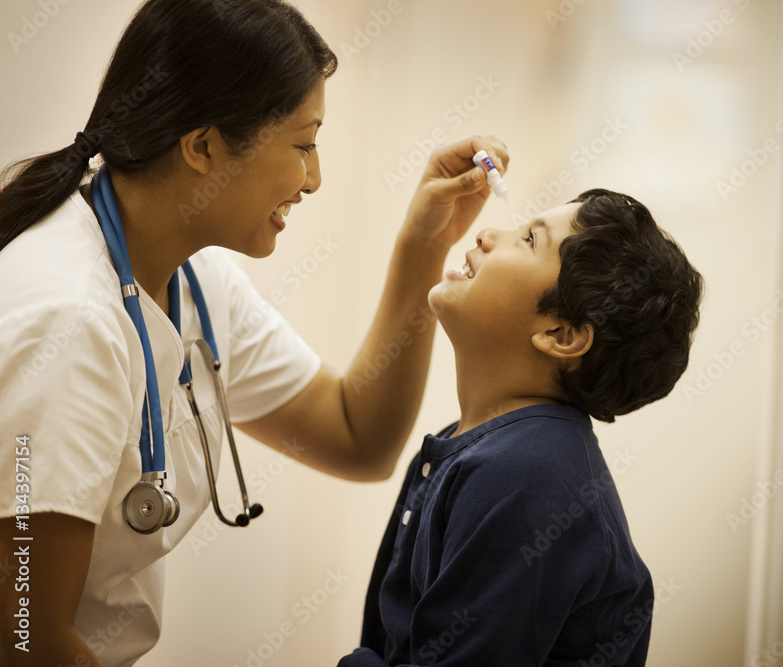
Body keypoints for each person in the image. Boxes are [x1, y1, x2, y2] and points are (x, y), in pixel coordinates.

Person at [0, 1, 508, 664]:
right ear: (203, 145)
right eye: (303, 144)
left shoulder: (193, 281)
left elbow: (358, 437)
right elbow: (25, 635)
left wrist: (426, 247)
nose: (315, 179)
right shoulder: (69, 321)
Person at [339, 189, 705, 665]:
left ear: (562, 335)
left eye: (529, 238)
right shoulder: (474, 446)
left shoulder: (528, 475)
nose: (488, 234)